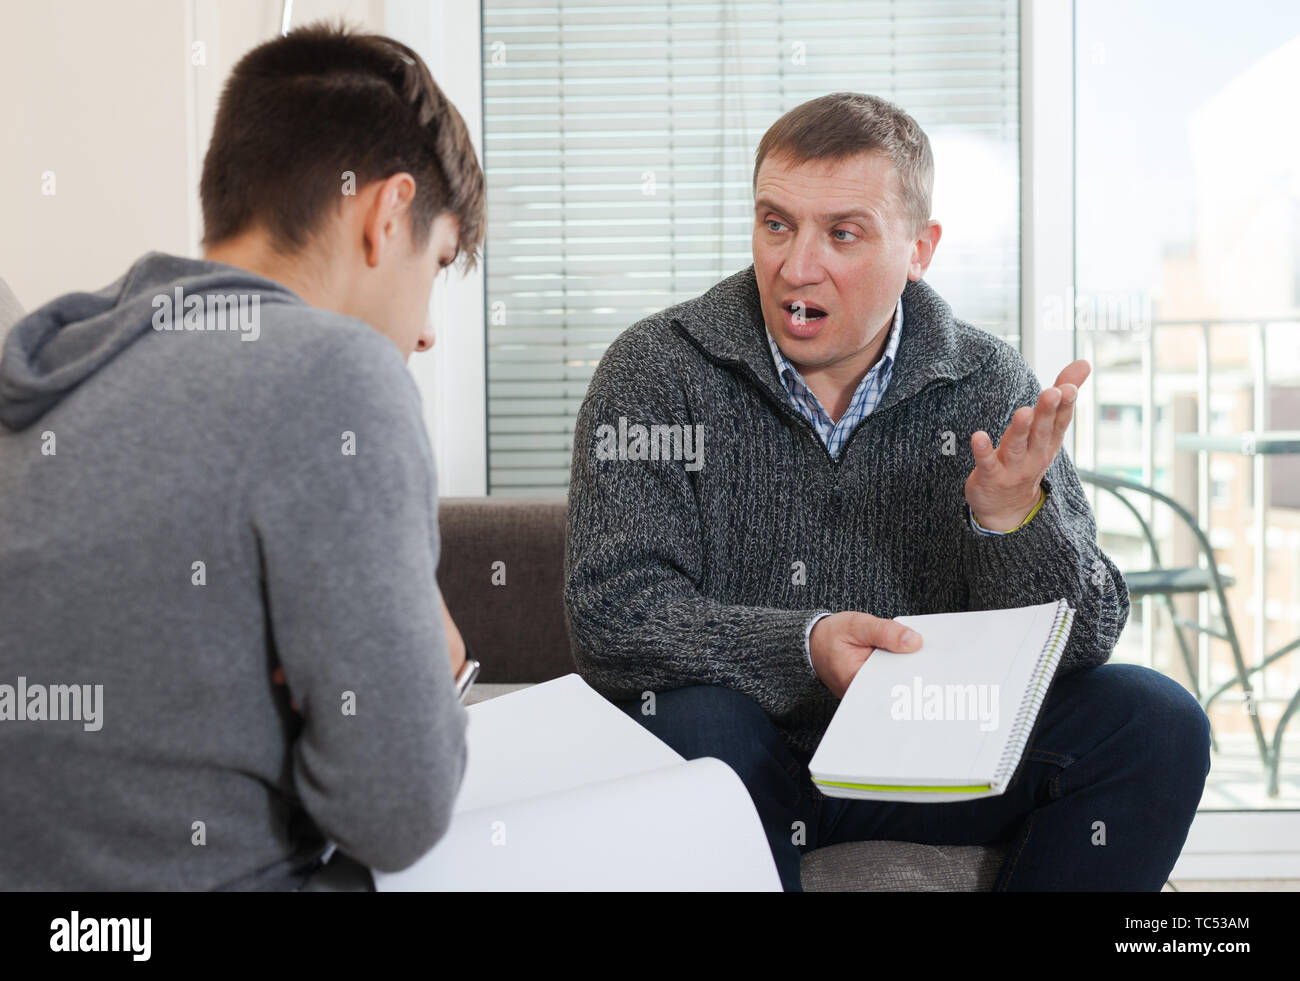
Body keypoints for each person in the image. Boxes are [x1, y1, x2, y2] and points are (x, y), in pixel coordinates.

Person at [564, 92, 1211, 891]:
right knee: (698, 721)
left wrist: (1013, 520)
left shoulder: (987, 380)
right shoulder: (655, 372)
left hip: (936, 753)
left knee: (1156, 718)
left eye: (842, 233)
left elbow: (1083, 641)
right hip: (750, 750)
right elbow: (612, 614)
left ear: (920, 248)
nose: (796, 266)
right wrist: (804, 643)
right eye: (776, 223)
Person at [0, 22, 484, 890]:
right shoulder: (337, 374)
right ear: (385, 213)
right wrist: (430, 664)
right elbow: (395, 811)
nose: (424, 329)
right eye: (436, 262)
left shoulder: (61, 367)